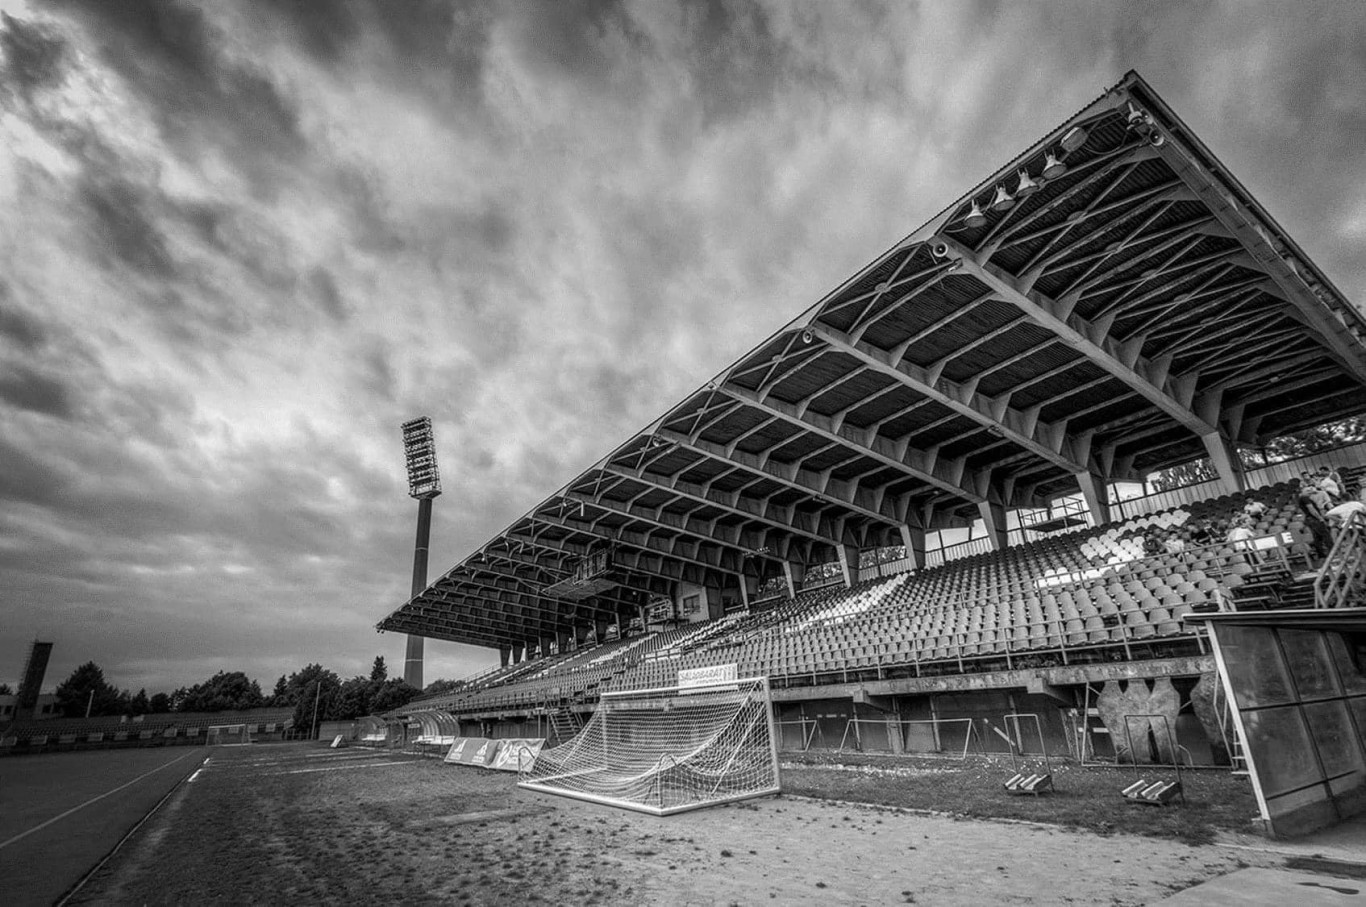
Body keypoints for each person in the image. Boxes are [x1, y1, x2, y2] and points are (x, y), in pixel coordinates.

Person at [1298, 475, 1333, 560]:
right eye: (1307, 490)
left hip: (1310, 520)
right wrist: (1320, 518)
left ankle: (1321, 555)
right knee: (1326, 534)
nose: (1309, 490)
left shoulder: (1303, 498)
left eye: (1310, 489)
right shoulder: (1305, 498)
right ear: (1302, 491)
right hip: (1314, 519)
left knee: (1317, 538)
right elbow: (1311, 509)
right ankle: (1333, 551)